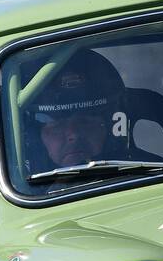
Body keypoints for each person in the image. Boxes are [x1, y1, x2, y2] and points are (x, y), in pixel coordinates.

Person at [24, 49, 129, 177]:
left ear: (109, 127)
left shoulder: (152, 176)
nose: (73, 134)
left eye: (85, 121)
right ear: (34, 138)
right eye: (56, 124)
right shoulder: (16, 188)